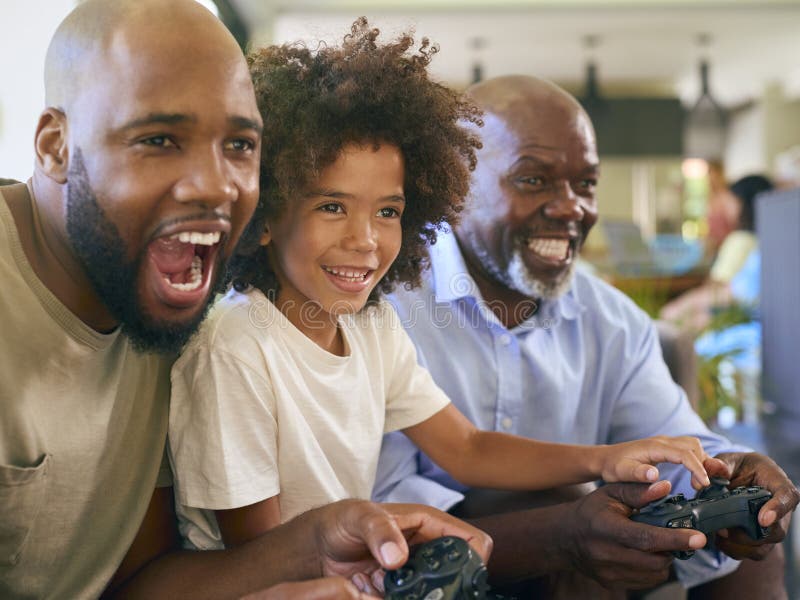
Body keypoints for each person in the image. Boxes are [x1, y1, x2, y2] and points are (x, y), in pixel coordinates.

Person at [168, 19, 719, 559]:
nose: (365, 240)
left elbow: (469, 447)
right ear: (264, 216)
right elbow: (261, 556)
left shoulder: (373, 327)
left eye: (388, 211)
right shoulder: (236, 347)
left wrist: (605, 460)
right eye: (331, 207)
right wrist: (394, 531)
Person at [0, 2, 494, 598]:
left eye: (239, 146)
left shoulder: (167, 307)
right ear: (55, 145)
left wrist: (319, 543)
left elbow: (139, 582)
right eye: (159, 138)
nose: (217, 186)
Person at [373, 75, 799, 598]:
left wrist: (728, 474)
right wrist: (562, 531)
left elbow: (678, 449)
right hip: (420, 562)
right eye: (534, 179)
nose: (573, 206)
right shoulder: (381, 299)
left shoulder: (611, 320)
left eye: (587, 183)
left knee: (749, 546)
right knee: (566, 518)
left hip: (579, 549)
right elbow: (379, 506)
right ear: (454, 184)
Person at [660, 175, 774, 333]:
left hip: (730, 314)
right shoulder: (767, 241)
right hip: (745, 314)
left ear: (742, 203)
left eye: (730, 201)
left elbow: (717, 288)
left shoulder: (740, 240)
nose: (725, 208)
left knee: (671, 315)